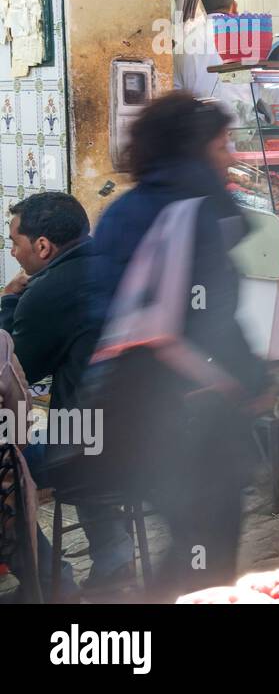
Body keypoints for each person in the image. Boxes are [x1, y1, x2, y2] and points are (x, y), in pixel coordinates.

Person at [90, 93, 267, 599]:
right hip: (188, 411)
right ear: (197, 149)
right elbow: (206, 318)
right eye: (222, 144)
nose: (230, 155)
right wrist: (247, 380)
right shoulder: (194, 209)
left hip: (129, 411)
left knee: (192, 541)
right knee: (205, 550)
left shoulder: (124, 209)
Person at [1, 193, 134, 596]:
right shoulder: (120, 264)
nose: (13, 251)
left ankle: (53, 582)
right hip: (150, 426)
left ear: (42, 246)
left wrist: (9, 300)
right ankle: (115, 560)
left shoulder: (48, 291)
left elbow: (15, 373)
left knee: (6, 466)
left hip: (90, 443)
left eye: (14, 242)